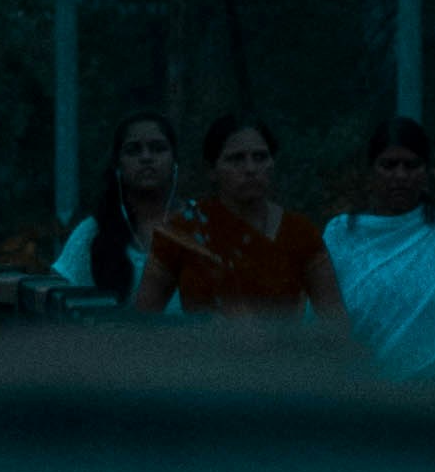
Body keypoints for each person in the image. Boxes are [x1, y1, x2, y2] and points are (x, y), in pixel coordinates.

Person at [320, 117, 435, 394]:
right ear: (371, 171)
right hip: (358, 396)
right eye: (389, 165)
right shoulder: (341, 233)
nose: (400, 176)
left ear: (426, 172)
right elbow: (323, 321)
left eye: (411, 165)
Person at [128, 110, 348, 331]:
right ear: (212, 170)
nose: (251, 169)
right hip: (203, 361)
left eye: (260, 157)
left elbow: (336, 326)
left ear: (272, 164)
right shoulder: (183, 231)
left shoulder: (300, 233)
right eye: (236, 159)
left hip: (283, 360)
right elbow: (143, 323)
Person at [52, 105, 188, 304]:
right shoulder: (91, 233)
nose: (146, 157)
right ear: (118, 164)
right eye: (133, 150)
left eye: (157, 148)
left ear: (174, 160)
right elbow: (57, 307)